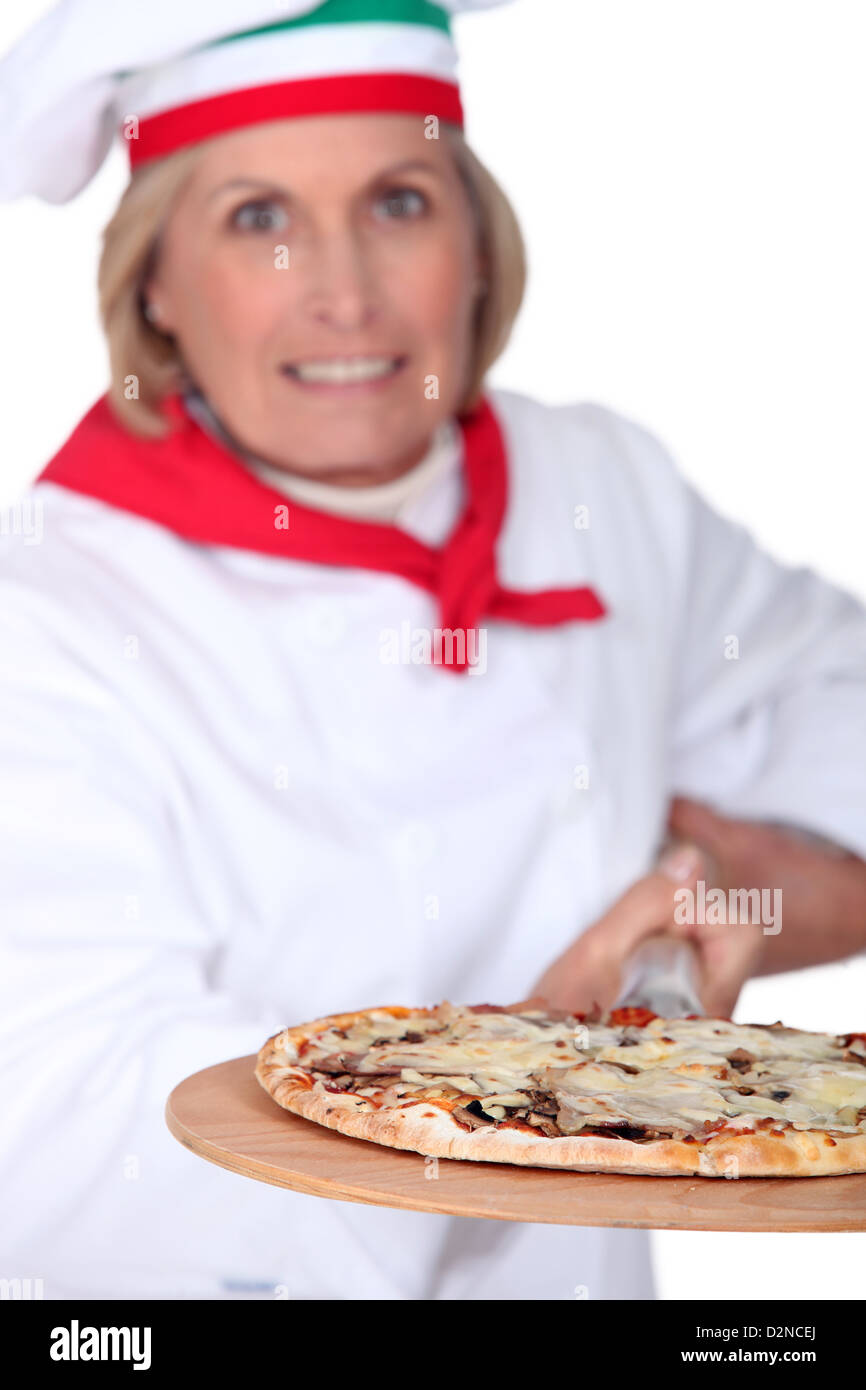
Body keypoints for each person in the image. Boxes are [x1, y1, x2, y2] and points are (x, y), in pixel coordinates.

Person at [1, 0, 865, 1302]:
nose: (342, 289)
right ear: (156, 284)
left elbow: (833, 711)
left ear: (477, 241)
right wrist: (525, 1061)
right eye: (258, 218)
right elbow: (67, 1135)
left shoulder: (594, 483)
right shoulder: (49, 612)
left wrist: (716, 889)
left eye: (398, 200)